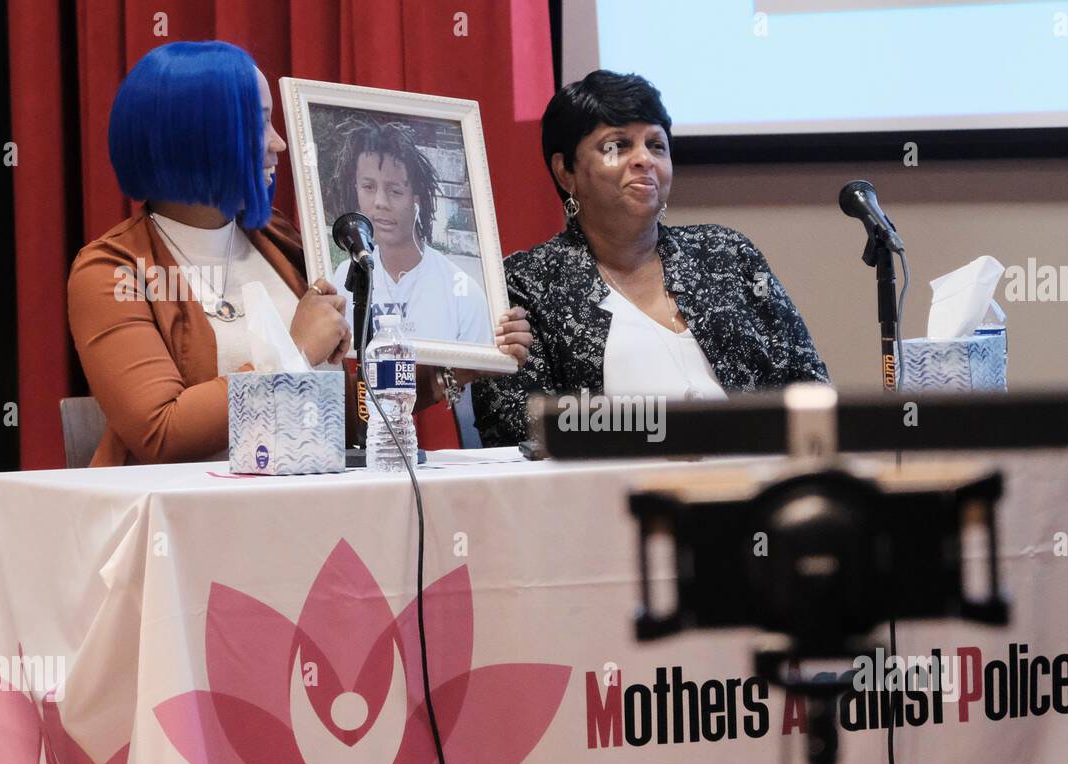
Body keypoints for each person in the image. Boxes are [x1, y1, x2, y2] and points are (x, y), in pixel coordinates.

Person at [68, 40, 530, 465]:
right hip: (192, 515)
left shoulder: (277, 238)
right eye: (259, 125)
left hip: (306, 500)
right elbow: (162, 432)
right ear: (200, 140)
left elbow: (345, 411)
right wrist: (295, 351)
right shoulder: (110, 270)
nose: (279, 143)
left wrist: (452, 370)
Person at [471, 70, 828, 448]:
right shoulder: (525, 283)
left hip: (750, 474)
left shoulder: (728, 254)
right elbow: (517, 429)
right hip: (611, 482)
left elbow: (809, 384)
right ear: (566, 172)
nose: (644, 159)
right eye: (617, 146)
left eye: (657, 146)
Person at [326, 116, 492, 346]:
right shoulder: (343, 280)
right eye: (368, 187)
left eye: (395, 191)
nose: (380, 202)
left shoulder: (463, 292)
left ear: (417, 199)